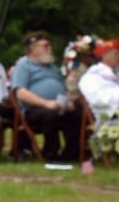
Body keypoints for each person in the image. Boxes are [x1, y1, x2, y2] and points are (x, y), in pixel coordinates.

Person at [12, 30, 81, 161]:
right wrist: (46, 104)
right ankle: (51, 155)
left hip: (58, 106)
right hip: (34, 110)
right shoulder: (24, 66)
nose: (50, 49)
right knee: (50, 115)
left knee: (78, 113)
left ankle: (70, 155)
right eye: (46, 46)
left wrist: (68, 101)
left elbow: (64, 88)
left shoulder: (53, 68)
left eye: (49, 46)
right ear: (33, 49)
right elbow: (20, 92)